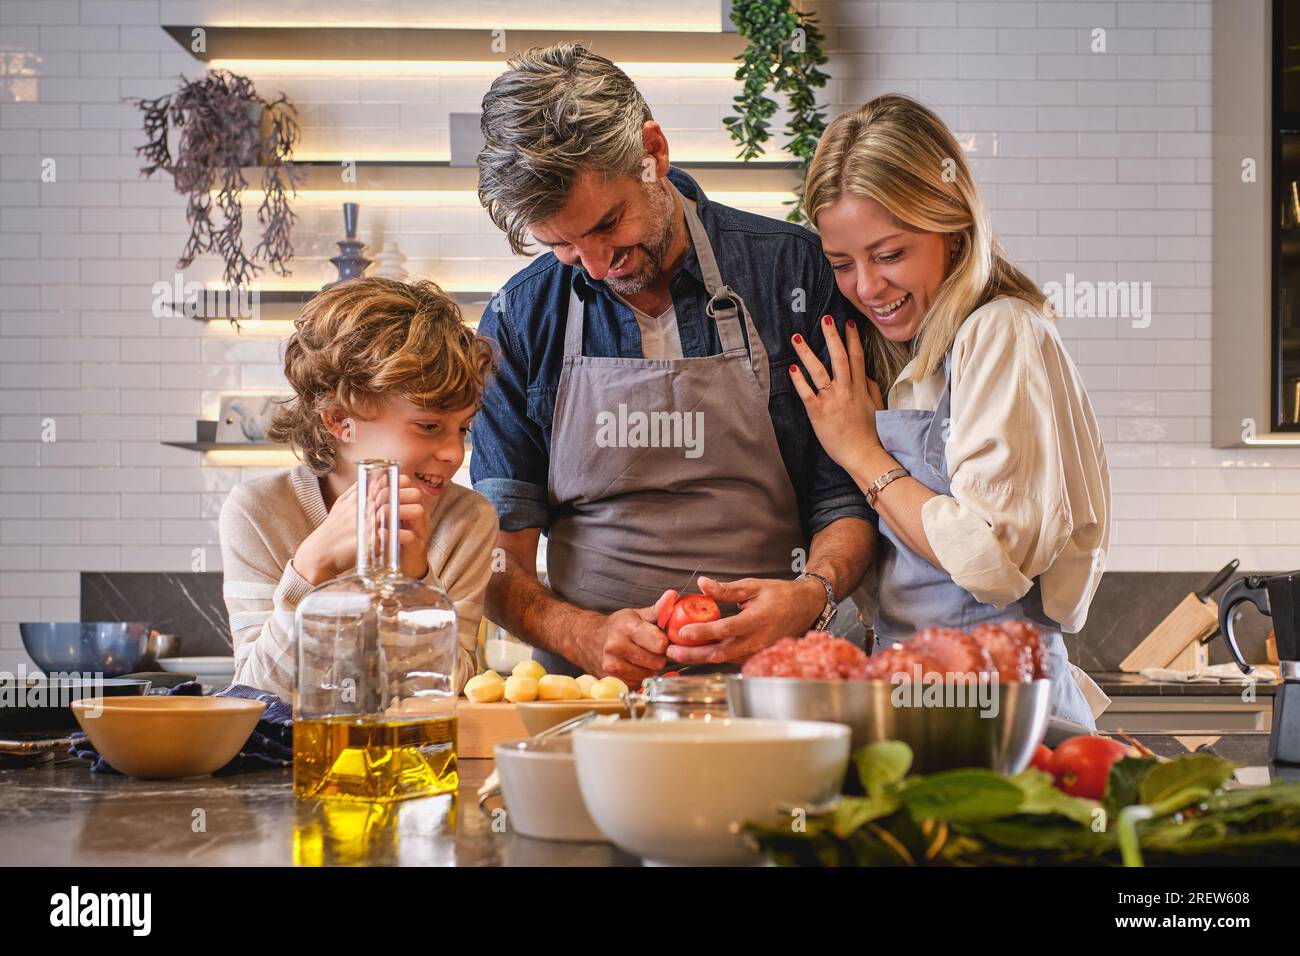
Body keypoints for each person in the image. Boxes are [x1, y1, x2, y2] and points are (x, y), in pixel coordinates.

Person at [471, 43, 876, 683]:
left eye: (609, 225)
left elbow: (848, 494)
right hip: (590, 693)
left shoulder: (791, 273)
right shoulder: (521, 320)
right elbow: (495, 557)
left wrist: (811, 594)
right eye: (564, 247)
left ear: (652, 152)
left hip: (783, 683)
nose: (599, 266)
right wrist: (581, 634)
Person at [786, 95, 1110, 726]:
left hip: (994, 706)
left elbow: (990, 562)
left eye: (889, 254)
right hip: (918, 696)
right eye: (841, 264)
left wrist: (859, 452)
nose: (867, 288)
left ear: (953, 223)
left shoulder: (1003, 332)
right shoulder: (909, 361)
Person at [218, 277, 499, 697]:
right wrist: (310, 569)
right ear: (338, 420)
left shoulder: (468, 522)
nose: (454, 454)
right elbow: (256, 695)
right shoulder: (258, 512)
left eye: (463, 428)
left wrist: (414, 581)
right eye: (428, 426)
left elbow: (450, 690)